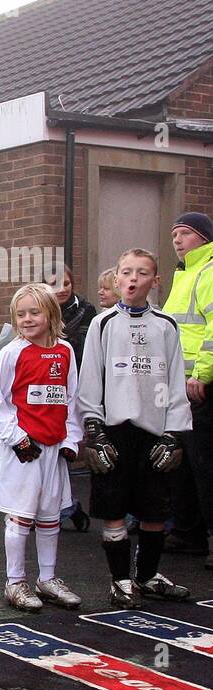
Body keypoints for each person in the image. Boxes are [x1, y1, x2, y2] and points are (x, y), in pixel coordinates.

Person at [77, 248, 192, 606]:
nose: (132, 279)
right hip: (114, 431)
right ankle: (121, 580)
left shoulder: (166, 325)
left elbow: (175, 381)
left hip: (154, 432)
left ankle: (147, 576)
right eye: (125, 272)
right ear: (116, 278)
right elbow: (91, 380)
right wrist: (93, 429)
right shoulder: (103, 323)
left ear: (154, 282)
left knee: (154, 511)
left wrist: (174, 434)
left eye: (141, 273)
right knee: (113, 509)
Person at [0, 283, 83, 612]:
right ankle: (15, 581)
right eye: (20, 314)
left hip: (52, 449)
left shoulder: (65, 351)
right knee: (21, 516)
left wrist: (71, 439)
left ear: (51, 314)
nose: (26, 319)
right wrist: (16, 437)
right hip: (24, 449)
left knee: (50, 515)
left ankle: (48, 578)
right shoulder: (11, 353)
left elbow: (71, 400)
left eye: (34, 312)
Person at [160, 212, 213, 564]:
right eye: (174, 234)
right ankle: (187, 531)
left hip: (200, 385)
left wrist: (203, 375)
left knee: (206, 464)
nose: (177, 240)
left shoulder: (208, 272)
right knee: (183, 466)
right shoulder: (184, 275)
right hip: (180, 384)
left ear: (204, 238)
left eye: (185, 233)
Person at [52, 265, 95, 533]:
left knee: (61, 451)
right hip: (44, 388)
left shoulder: (85, 310)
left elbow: (87, 349)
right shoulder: (38, 310)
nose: (62, 288)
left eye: (67, 282)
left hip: (73, 385)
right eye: (56, 283)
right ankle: (63, 508)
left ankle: (64, 507)